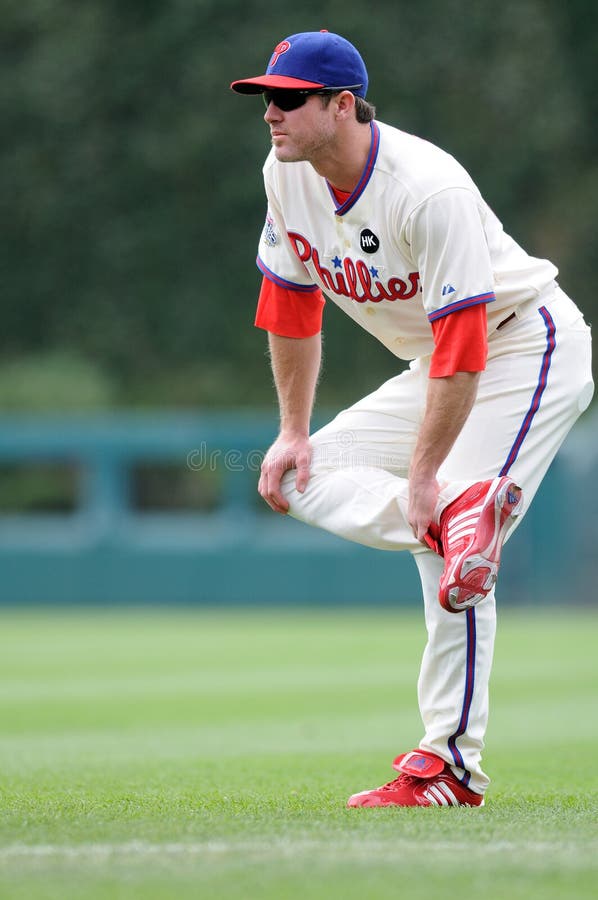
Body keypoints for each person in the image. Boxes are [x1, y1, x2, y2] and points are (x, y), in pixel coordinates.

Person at [230, 30, 594, 807]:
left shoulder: (427, 188)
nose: (272, 112)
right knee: (302, 476)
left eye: (289, 98)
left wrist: (427, 476)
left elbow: (465, 342)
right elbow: (288, 308)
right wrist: (294, 429)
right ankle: (462, 517)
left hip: (524, 345)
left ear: (342, 103)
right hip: (441, 363)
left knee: (447, 562)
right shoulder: (284, 174)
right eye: (266, 97)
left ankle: (449, 770)